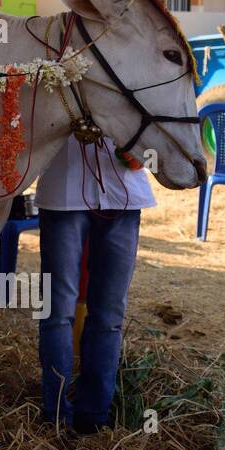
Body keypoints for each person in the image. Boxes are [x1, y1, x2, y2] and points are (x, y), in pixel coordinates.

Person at [33, 134, 155, 433]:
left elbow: (158, 127)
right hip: (63, 192)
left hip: (124, 195)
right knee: (57, 312)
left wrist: (143, 151)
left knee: (109, 316)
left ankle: (95, 418)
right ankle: (57, 416)